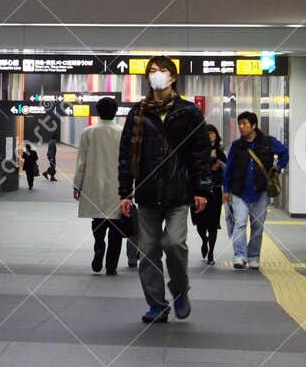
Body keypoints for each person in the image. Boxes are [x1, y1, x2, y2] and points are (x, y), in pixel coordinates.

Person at [117, 56, 211, 323]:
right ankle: (157, 305)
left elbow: (201, 153)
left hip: (178, 191)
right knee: (147, 251)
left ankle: (180, 289)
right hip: (147, 193)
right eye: (153, 71)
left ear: (173, 77)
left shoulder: (188, 112)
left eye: (163, 70)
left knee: (174, 244)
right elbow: (126, 155)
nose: (157, 74)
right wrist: (125, 192)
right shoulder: (138, 113)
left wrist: (202, 189)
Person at [223, 111, 289, 269]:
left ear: (253, 125)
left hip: (261, 192)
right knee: (239, 223)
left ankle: (253, 256)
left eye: (244, 124)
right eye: (239, 124)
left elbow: (284, 152)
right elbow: (229, 168)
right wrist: (226, 189)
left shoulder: (268, 142)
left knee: (257, 226)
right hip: (239, 192)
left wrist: (278, 168)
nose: (241, 127)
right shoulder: (236, 146)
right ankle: (239, 256)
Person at [73, 97, 127, 275]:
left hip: (93, 185)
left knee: (98, 220)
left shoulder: (88, 132)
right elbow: (129, 163)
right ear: (116, 112)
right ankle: (111, 266)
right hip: (118, 187)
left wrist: (77, 185)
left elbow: (81, 162)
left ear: (98, 112)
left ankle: (98, 246)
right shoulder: (122, 133)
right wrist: (131, 187)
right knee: (116, 227)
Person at [194, 124, 224, 266]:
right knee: (200, 223)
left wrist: (220, 166)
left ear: (216, 136)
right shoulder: (196, 152)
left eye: (212, 133)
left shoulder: (220, 154)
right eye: (207, 133)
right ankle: (204, 240)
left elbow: (226, 171)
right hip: (199, 192)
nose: (209, 135)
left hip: (215, 192)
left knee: (213, 224)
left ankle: (211, 253)